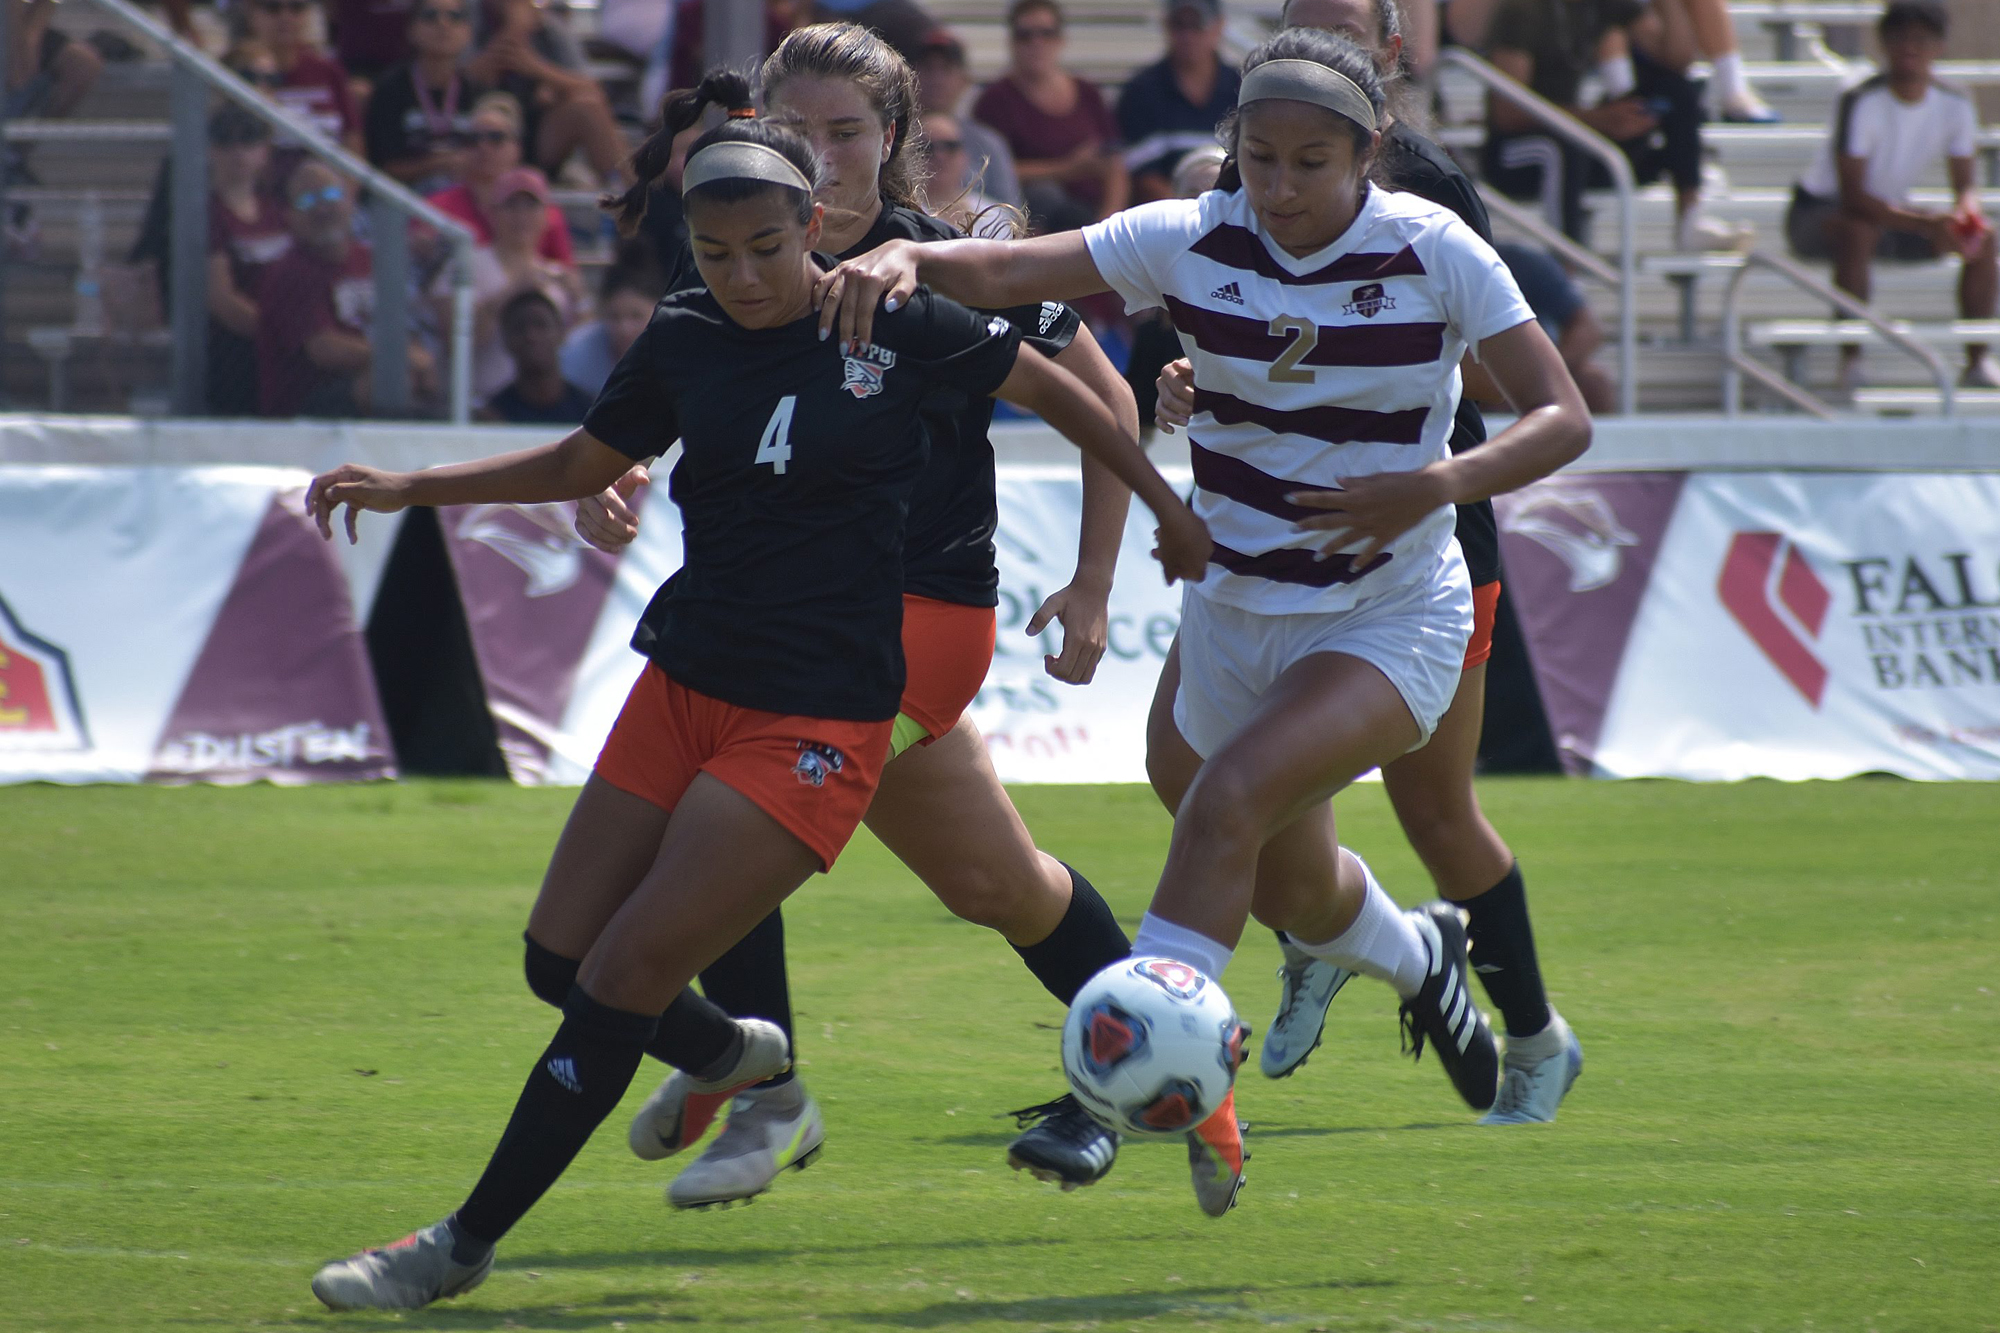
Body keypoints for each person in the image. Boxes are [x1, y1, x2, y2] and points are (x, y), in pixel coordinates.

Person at [303, 103, 1207, 1312]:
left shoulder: (894, 318)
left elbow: (1075, 397)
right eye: (714, 253)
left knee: (624, 968)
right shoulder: (683, 335)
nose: (739, 276)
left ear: (813, 226)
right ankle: (738, 1056)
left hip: (816, 718)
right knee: (555, 958)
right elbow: (585, 460)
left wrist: (1163, 508)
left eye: (764, 249)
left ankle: (456, 1245)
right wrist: (413, 483)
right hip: (683, 680)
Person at [815, 26, 1593, 1214]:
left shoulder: (1432, 247)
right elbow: (1015, 272)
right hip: (1230, 608)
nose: (1277, 189)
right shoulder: (1189, 234)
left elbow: (1560, 417)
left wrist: (1434, 483)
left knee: (1226, 799)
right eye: (1258, 159)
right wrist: (903, 265)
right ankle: (1416, 953)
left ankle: (1104, 1097)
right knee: (1289, 887)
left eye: (1308, 163)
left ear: (1368, 152)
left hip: (1387, 613)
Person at [572, 23, 1153, 1213]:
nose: (825, 159)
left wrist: (1095, 582)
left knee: (725, 811)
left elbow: (1109, 403)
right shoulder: (739, 248)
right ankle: (1164, 1033)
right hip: (789, 618)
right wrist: (615, 476)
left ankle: (758, 1093)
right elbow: (667, 404)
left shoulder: (950, 262)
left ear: (893, 141)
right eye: (804, 133)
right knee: (999, 884)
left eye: (848, 133)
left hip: (920, 622)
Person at [1152, 0, 1589, 1129]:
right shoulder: (1232, 185)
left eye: (1342, 23)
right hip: (1256, 550)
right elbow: (1232, 324)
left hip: (1412, 531)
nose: (1316, 38)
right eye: (1298, 18)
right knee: (1189, 776)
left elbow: (1497, 371)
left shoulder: (1423, 200)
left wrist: (1424, 476)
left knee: (1432, 815)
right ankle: (1327, 938)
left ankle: (1534, 1036)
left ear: (1386, 67)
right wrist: (1195, 384)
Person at [1786, 0, 1996, 390]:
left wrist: (1965, 215)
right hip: (1818, 214)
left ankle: (1977, 360)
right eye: (1900, 38)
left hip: (1886, 213)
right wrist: (1930, 222)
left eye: (1921, 39)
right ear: (1883, 44)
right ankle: (1852, 359)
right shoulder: (1860, 98)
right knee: (1858, 231)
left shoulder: (1956, 103)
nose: (1910, 48)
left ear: (1940, 46)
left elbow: (1965, 182)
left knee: (1983, 239)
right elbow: (1853, 197)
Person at [1481, 0, 1742, 251]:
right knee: (1563, 149)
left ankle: (1689, 218)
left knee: (1676, 91)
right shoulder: (1525, 9)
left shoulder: (1602, 4)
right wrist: (1600, 119)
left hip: (1576, 135)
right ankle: (1568, 272)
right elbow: (1508, 113)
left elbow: (1677, 59)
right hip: (1513, 153)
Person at [129, 103, 295, 416]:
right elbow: (222, 300)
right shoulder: (203, 214)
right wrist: (285, 337)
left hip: (279, 347)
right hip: (232, 352)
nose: (237, 152)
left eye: (248, 141)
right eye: (225, 142)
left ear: (264, 151)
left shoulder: (278, 211)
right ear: (209, 150)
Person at [258, 160, 439, 416]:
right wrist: (399, 358)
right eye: (307, 201)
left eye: (331, 195)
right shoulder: (289, 272)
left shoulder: (370, 259)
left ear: (351, 202)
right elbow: (324, 350)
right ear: (289, 215)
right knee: (392, 380)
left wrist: (419, 358)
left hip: (375, 376)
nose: (322, 208)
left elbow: (408, 326)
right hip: (308, 405)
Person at [972, 0, 1127, 231]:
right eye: (1026, 35)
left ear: (1061, 40)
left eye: (1047, 33)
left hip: (1094, 214)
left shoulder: (1088, 93)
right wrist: (1067, 169)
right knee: (1045, 195)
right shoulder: (995, 101)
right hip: (1036, 219)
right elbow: (991, 171)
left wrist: (1107, 225)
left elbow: (1114, 165)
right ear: (1012, 42)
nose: (1037, 43)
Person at [433, 164, 583, 399]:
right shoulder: (465, 265)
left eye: (530, 206)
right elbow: (456, 342)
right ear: (492, 213)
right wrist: (513, 291)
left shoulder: (557, 276)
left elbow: (574, 351)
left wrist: (579, 303)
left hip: (540, 406)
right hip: (482, 405)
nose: (521, 216)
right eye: (511, 205)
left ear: (547, 216)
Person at [467, 0, 628, 187]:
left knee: (588, 107)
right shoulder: (462, 17)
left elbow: (591, 88)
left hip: (535, 135)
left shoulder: (549, 28)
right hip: (476, 130)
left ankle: (629, 195)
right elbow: (468, 78)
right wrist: (515, 29)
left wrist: (537, 68)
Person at [427, 92, 579, 266]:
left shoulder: (544, 213)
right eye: (474, 139)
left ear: (517, 148)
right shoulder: (436, 208)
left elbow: (568, 277)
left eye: (496, 138)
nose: (483, 147)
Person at [1116, 0, 1241, 205]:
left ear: (1218, 26)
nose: (1187, 35)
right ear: (1166, 26)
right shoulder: (1140, 92)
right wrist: (1191, 215)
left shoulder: (1243, 88)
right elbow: (1144, 179)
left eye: (1197, 24)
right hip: (1167, 217)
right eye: (1179, 24)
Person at [364, 0, 489, 193]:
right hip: (403, 199)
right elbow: (385, 167)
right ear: (411, 30)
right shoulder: (390, 90)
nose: (443, 24)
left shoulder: (477, 91)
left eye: (454, 17)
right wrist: (439, 164)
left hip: (466, 196)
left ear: (468, 32)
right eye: (431, 16)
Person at [1493, 242, 1618, 410]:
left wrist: (1543, 374)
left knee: (1594, 383)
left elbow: (1589, 330)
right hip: (1473, 369)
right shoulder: (1456, 266)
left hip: (1533, 369)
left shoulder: (1523, 262)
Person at [913, 28, 1023, 210]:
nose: (937, 79)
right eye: (929, 68)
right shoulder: (894, 139)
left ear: (965, 80)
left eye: (946, 69)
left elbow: (1009, 212)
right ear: (912, 77)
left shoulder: (989, 144)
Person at [249, 0, 364, 155]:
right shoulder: (241, 70)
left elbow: (352, 136)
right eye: (273, 8)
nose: (285, 17)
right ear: (253, 15)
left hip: (331, 171)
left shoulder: (328, 70)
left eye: (297, 8)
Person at [480, 288, 598, 423]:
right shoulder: (493, 416)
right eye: (520, 327)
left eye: (540, 324)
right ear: (506, 340)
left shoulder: (590, 412)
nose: (531, 336)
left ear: (561, 333)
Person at [561, 251, 666, 395]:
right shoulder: (577, 350)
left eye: (636, 316)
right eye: (614, 317)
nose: (624, 329)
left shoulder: (676, 352)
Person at [917, 109, 1012, 236]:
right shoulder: (905, 215)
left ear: (965, 157)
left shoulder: (994, 215)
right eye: (928, 147)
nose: (940, 156)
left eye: (950, 146)